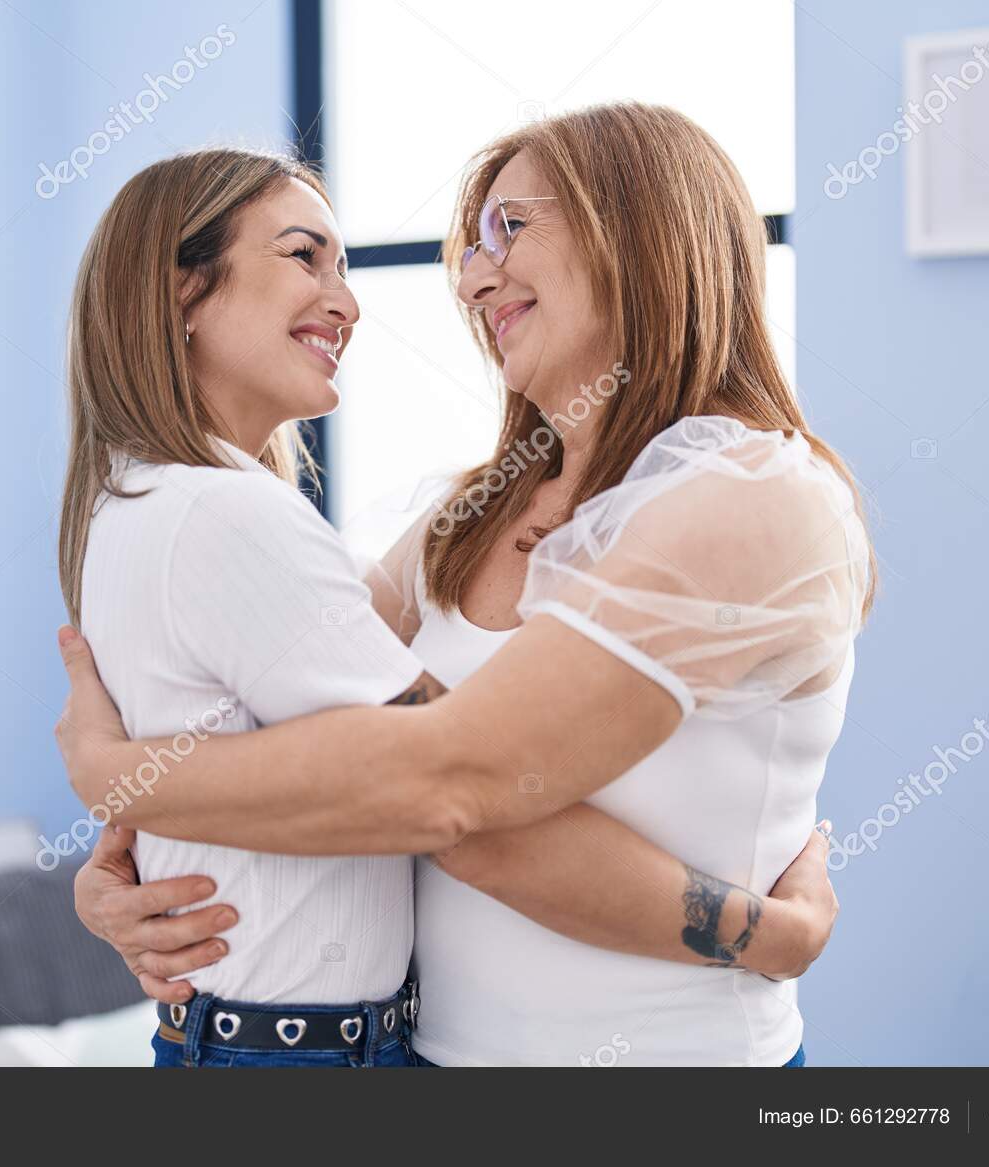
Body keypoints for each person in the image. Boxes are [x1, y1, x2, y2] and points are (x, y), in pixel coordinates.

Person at [60, 104, 870, 1067]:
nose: (475, 277)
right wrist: (121, 866)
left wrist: (119, 775)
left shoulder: (753, 497)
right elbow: (284, 692)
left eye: (510, 228)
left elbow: (453, 789)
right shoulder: (469, 517)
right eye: (469, 246)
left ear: (644, 233)